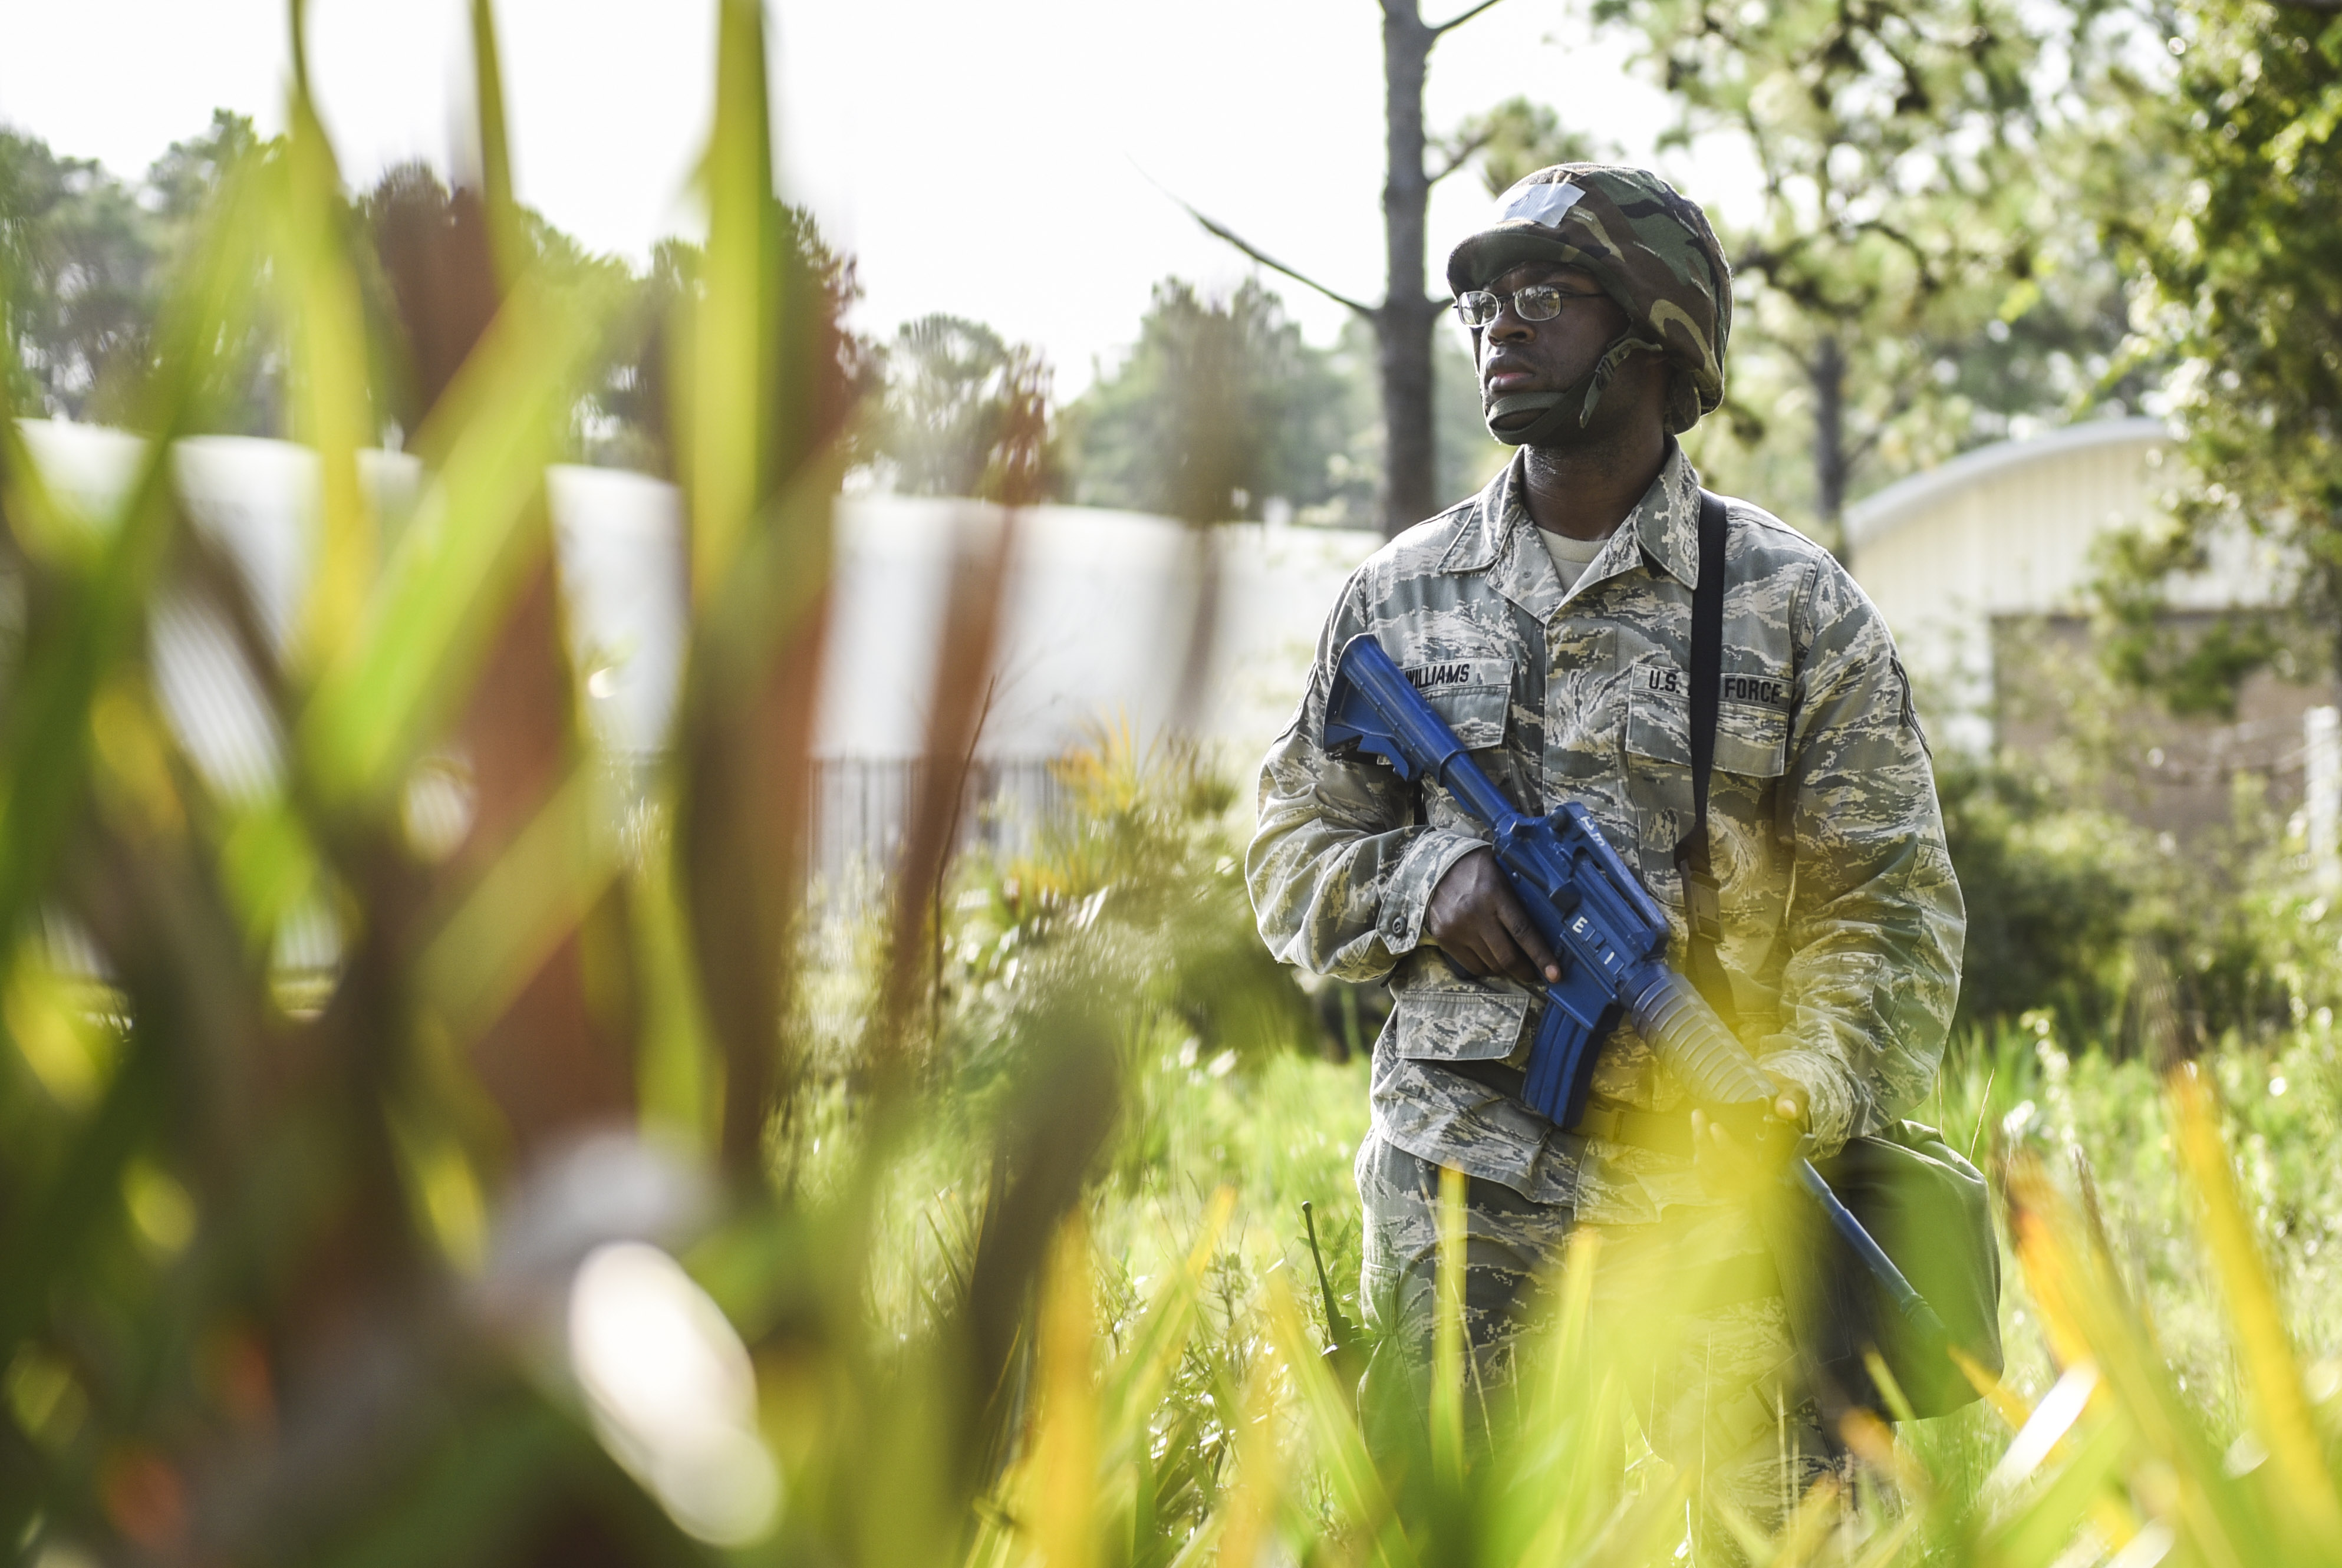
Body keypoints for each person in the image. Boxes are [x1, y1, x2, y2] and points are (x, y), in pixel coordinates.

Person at [1246, 164, 1964, 1517]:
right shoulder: (1399, 597)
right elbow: (1289, 855)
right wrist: (1427, 879)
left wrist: (1799, 1085)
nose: (1498, 328)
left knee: (1796, 1538)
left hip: (1717, 1196)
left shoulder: (1792, 605)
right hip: (1460, 1190)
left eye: (1545, 296)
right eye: (1484, 305)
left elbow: (1891, 907)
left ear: (1656, 333)